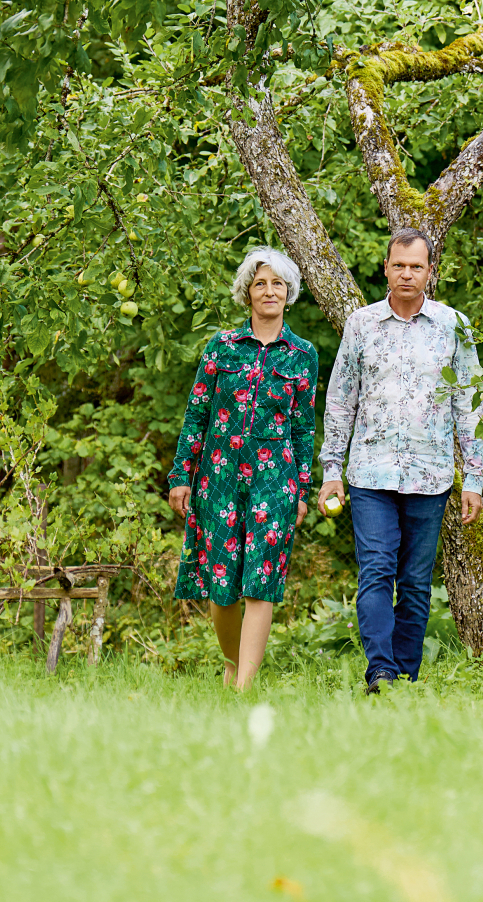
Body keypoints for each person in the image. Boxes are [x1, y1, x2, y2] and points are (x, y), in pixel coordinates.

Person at [318, 227, 483, 692]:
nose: (407, 273)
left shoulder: (454, 326)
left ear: (430, 271)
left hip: (430, 476)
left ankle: (406, 678)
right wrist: (331, 471)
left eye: (417, 266)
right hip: (370, 472)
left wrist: (474, 477)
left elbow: (470, 403)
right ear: (386, 268)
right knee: (376, 570)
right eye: (399, 265)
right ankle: (381, 671)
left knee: (414, 583)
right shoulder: (361, 325)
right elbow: (340, 401)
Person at [167, 247, 317, 690]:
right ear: (247, 293)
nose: (269, 291)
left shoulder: (303, 354)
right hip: (219, 476)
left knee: (260, 580)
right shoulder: (221, 346)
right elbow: (196, 413)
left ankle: (243, 688)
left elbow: (304, 428)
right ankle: (233, 663)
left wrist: (302, 489)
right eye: (260, 283)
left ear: (288, 293)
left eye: (277, 284)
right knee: (221, 584)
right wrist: (180, 475)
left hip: (277, 482)